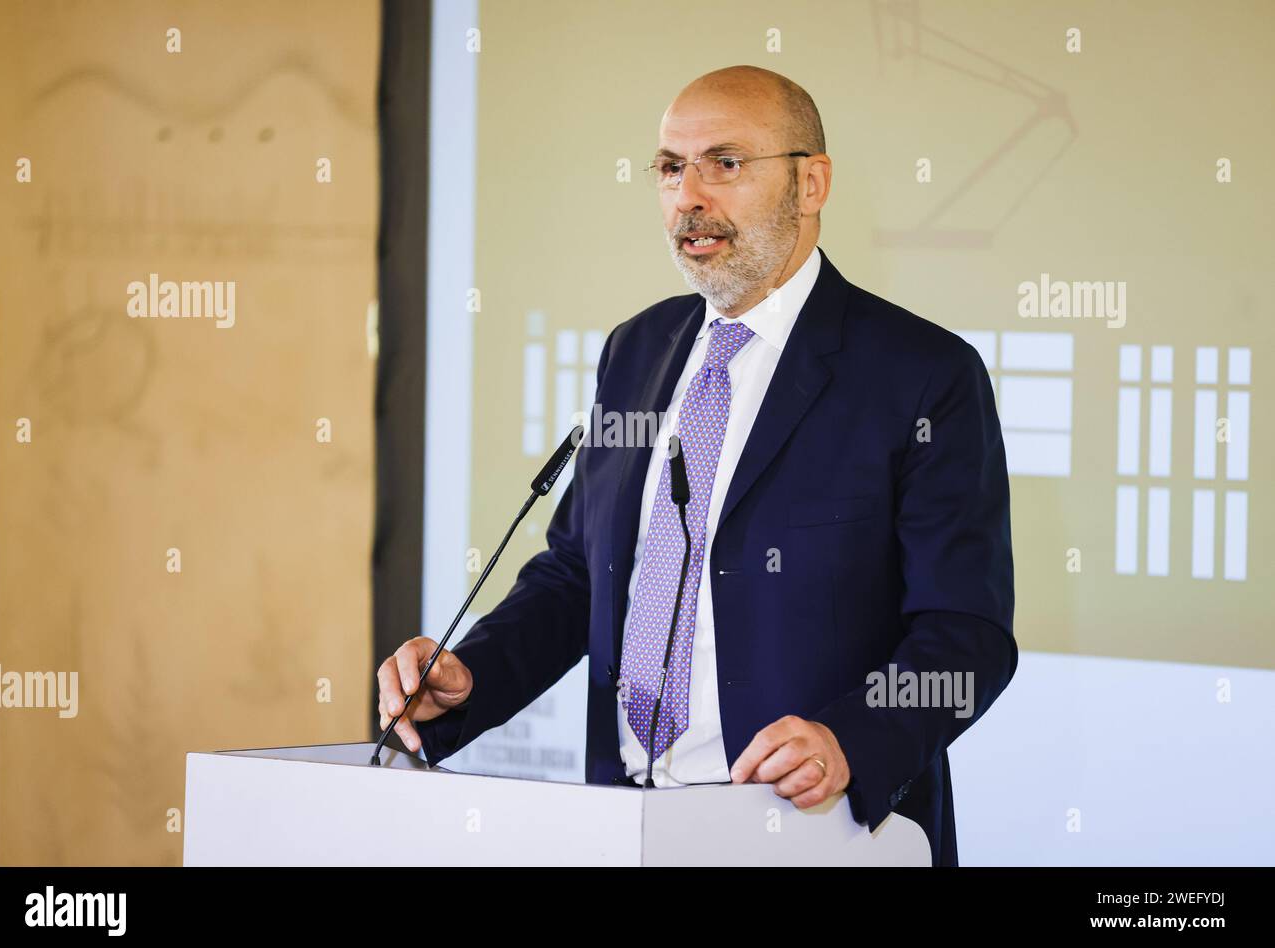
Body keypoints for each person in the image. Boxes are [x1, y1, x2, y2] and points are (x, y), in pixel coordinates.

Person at [377, 65, 1016, 866]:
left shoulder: (922, 374)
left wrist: (851, 739)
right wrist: (472, 674)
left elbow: (967, 634)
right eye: (671, 168)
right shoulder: (636, 350)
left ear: (810, 182)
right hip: (625, 830)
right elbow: (579, 574)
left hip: (820, 835)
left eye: (726, 163)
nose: (689, 196)